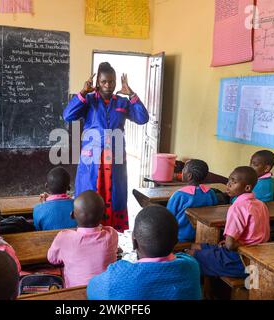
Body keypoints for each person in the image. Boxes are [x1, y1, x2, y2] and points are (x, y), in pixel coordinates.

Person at [63, 62, 149, 232]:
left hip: (115, 158)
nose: (108, 85)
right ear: (97, 83)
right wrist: (82, 92)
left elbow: (142, 118)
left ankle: (110, 236)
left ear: (116, 82)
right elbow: (68, 115)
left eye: (111, 81)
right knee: (90, 194)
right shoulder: (88, 100)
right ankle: (88, 233)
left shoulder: (123, 102)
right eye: (104, 81)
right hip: (92, 158)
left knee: (114, 194)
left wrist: (131, 94)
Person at [87, 205, 201, 300]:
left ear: (134, 242)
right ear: (176, 242)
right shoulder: (192, 267)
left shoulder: (115, 277)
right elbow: (183, 257)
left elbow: (91, 289)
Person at [187, 167, 270, 278]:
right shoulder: (261, 204)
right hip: (257, 254)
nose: (229, 185)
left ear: (247, 187)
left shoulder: (237, 207)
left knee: (190, 254)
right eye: (229, 180)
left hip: (240, 260)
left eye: (234, 182)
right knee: (196, 246)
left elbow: (230, 245)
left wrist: (233, 243)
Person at [47, 190, 118, 288]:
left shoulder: (63, 237)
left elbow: (52, 259)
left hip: (73, 291)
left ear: (72, 215)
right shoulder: (111, 234)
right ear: (104, 216)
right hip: (105, 291)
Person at [166, 159, 218, 242]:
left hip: (180, 235)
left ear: (189, 176)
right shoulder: (210, 193)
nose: (182, 171)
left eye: (184, 169)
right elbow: (214, 211)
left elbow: (167, 216)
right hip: (204, 234)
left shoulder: (179, 195)